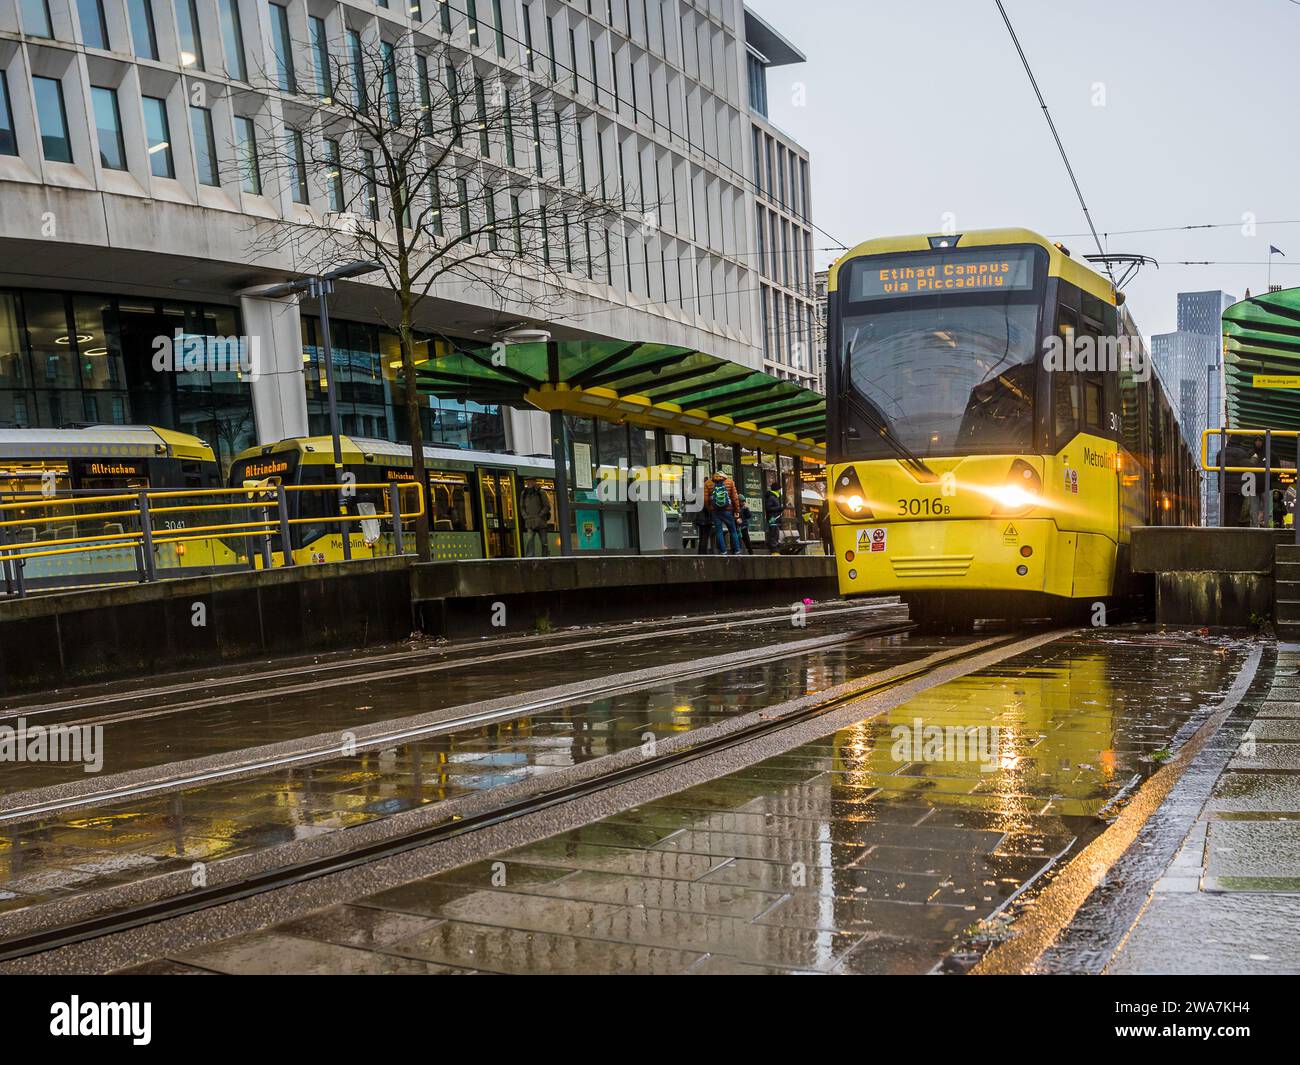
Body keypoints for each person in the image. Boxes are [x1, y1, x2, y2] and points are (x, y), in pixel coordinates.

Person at [704, 469, 742, 555]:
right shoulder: (730, 482)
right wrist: (737, 510)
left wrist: (710, 508)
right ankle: (737, 550)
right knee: (733, 530)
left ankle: (723, 551)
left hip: (715, 511)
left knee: (719, 531)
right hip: (728, 510)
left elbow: (705, 499)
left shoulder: (708, 483)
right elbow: (735, 498)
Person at [763, 478, 783, 553]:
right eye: (779, 489)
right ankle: (774, 550)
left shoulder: (774, 497)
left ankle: (775, 549)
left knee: (775, 534)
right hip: (773, 519)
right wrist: (779, 508)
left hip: (775, 519)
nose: (780, 491)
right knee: (773, 534)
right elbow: (768, 508)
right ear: (776, 489)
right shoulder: (772, 497)